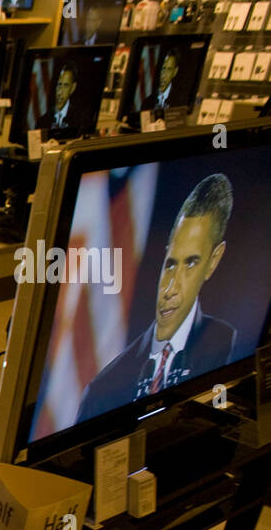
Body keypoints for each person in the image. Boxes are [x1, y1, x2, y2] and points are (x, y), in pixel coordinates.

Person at [75, 174, 236, 422]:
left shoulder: (228, 344)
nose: (170, 289)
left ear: (214, 260)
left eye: (191, 263)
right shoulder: (103, 388)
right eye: (170, 264)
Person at [37, 61, 77, 132]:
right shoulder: (42, 121)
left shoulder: (80, 119)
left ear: (73, 88)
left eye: (65, 85)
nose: (60, 92)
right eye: (59, 85)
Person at [143, 48, 181, 114]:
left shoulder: (180, 102)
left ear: (175, 71)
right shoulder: (146, 103)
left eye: (168, 69)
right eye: (163, 69)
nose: (163, 75)